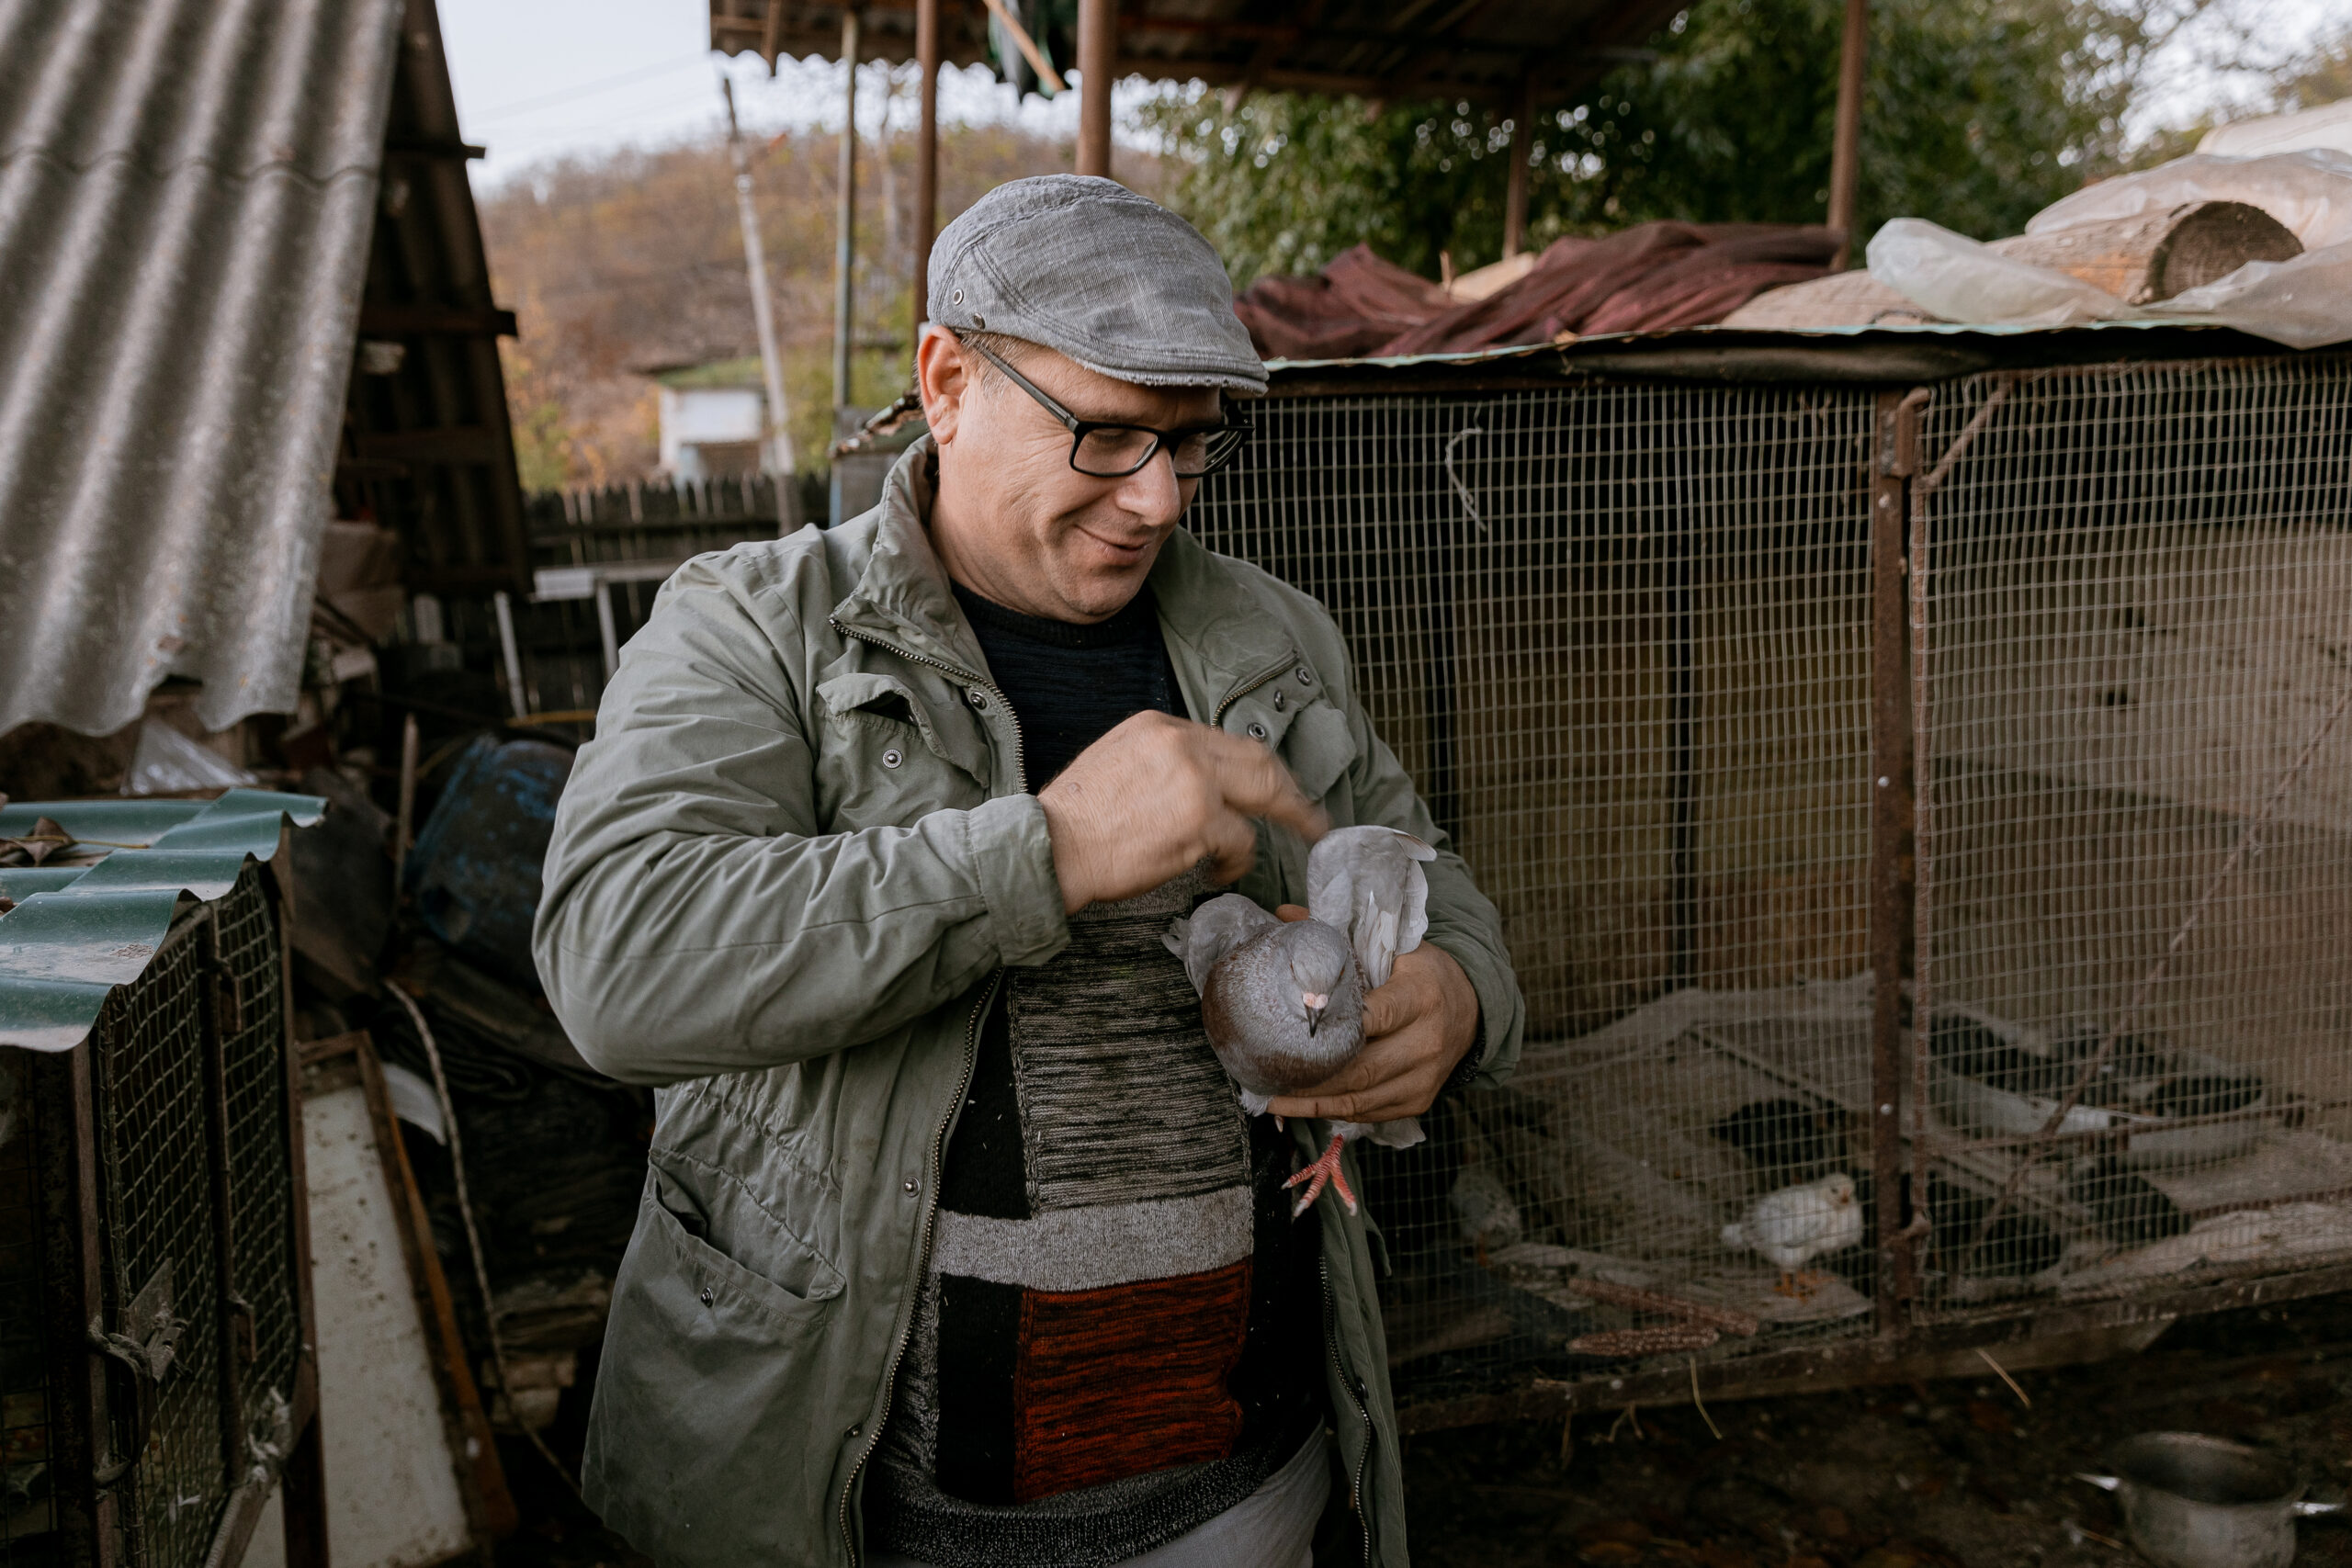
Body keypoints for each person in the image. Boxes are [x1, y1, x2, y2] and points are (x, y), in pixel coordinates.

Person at [534, 175, 1524, 1568]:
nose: (1156, 500)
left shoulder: (1273, 636)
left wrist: (1458, 998)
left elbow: (1432, 875)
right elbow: (619, 961)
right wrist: (1048, 851)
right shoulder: (754, 629)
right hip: (874, 1514)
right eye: (1107, 436)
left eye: (1188, 446)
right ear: (947, 380)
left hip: (1247, 1491)